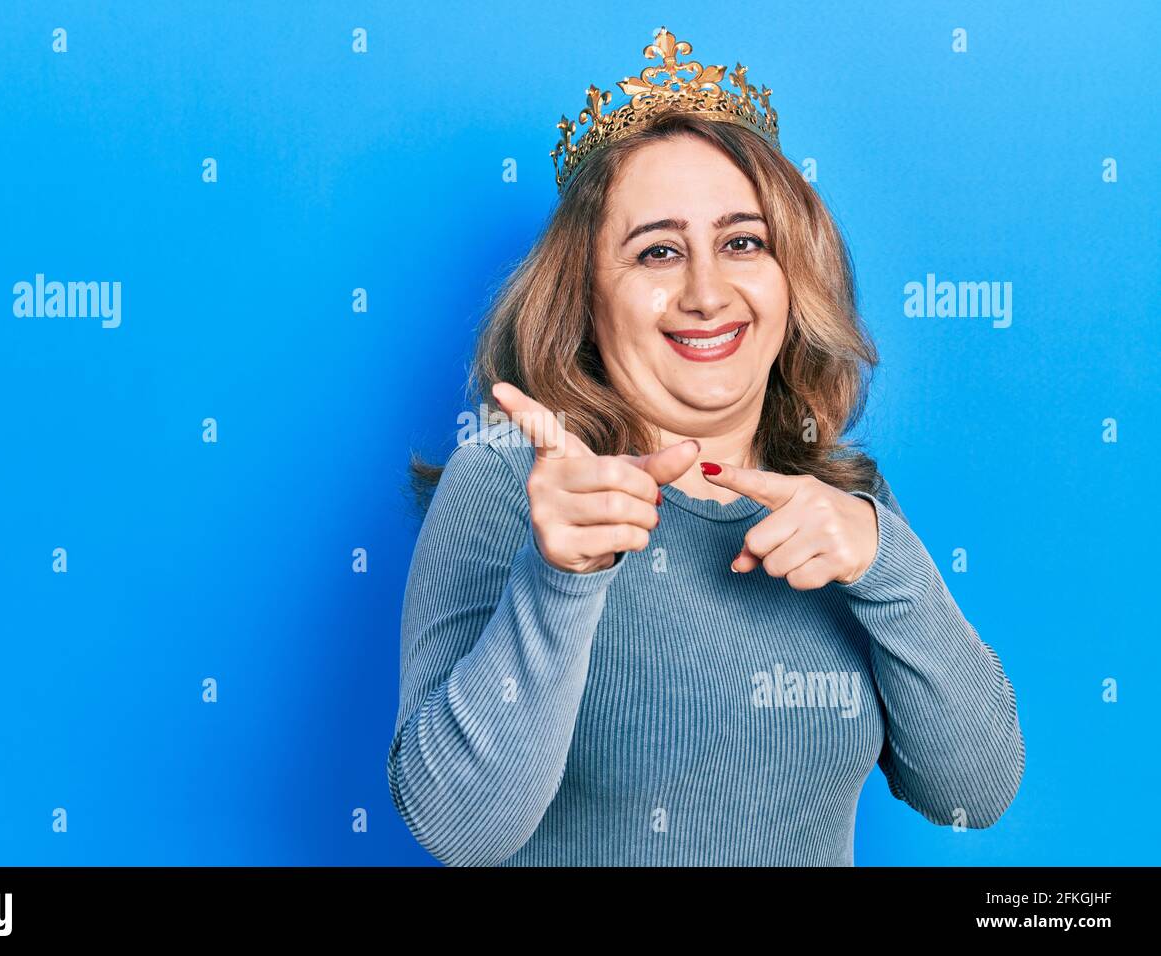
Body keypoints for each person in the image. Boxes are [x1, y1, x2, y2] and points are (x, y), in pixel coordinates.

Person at [387, 26, 1025, 866]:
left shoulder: (842, 502)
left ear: (792, 274)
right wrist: (560, 581)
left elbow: (970, 796)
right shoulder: (512, 483)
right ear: (584, 295)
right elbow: (460, 830)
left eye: (742, 242)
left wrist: (887, 564)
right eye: (657, 251)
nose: (706, 291)